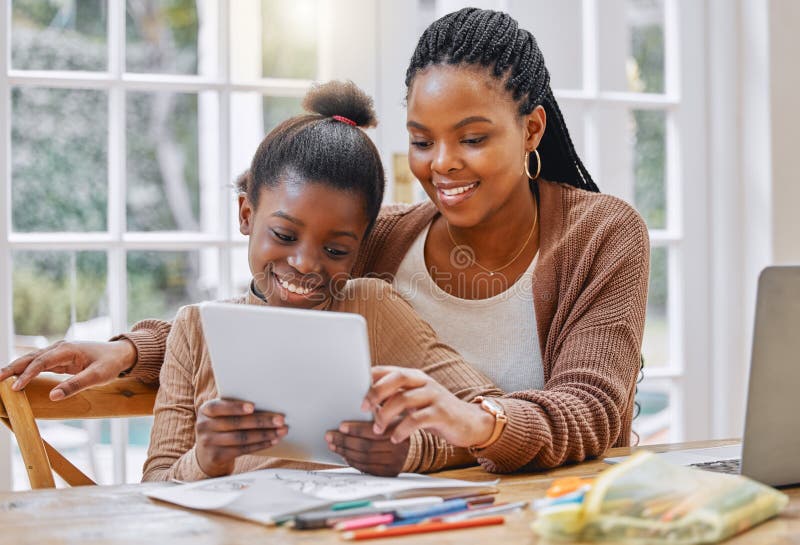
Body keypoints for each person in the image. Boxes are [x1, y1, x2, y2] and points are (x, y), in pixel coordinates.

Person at [2, 8, 649, 476]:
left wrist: (475, 422)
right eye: (422, 140)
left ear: (532, 128)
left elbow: (590, 408)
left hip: (553, 509)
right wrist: (128, 350)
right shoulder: (381, 237)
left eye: (473, 138)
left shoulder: (600, 234)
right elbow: (275, 307)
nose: (442, 164)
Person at [142, 80, 502, 481]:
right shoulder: (193, 331)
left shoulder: (372, 308)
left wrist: (410, 451)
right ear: (246, 214)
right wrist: (206, 460)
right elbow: (155, 482)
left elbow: (485, 414)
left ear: (361, 246)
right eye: (284, 236)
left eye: (335, 251)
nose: (306, 264)